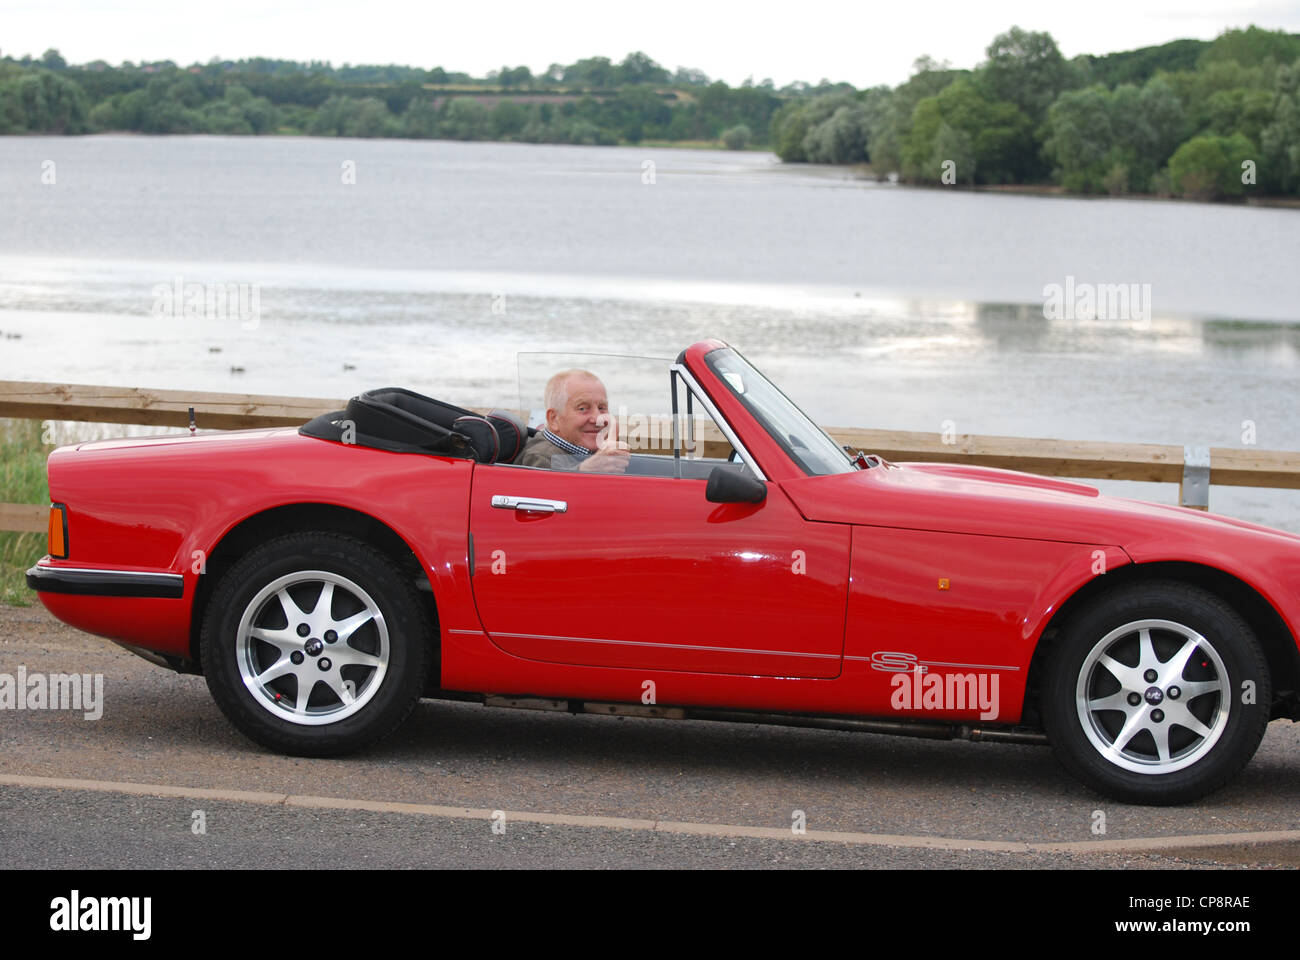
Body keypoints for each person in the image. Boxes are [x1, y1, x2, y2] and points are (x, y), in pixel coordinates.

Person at [517, 369, 630, 473]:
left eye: (602, 408)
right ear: (554, 419)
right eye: (582, 408)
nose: (597, 419)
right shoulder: (540, 456)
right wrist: (585, 470)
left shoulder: (584, 448)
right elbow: (549, 490)